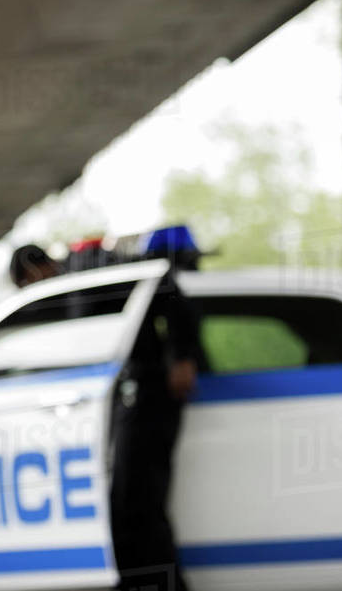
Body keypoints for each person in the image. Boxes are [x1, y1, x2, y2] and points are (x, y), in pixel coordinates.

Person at [108, 229, 203, 591]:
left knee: (138, 507)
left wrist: (182, 356)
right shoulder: (132, 282)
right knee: (131, 507)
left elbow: (173, 299)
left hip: (147, 402)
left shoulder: (143, 279)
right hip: (133, 400)